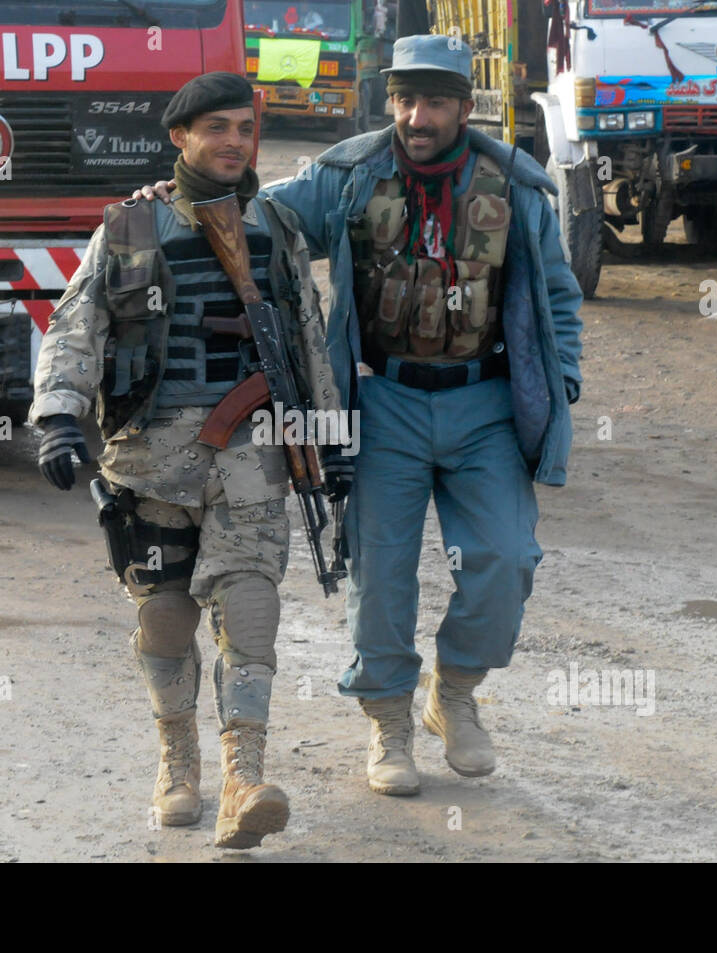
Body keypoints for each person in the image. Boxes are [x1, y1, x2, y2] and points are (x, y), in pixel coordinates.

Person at [137, 35, 582, 797]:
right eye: (406, 98)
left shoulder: (514, 185)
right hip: (382, 401)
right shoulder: (348, 175)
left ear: (462, 108)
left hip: (485, 403)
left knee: (506, 560)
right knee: (380, 574)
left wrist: (562, 376)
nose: (418, 114)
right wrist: (173, 202)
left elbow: (557, 297)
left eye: (436, 100)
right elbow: (256, 217)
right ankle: (389, 720)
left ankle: (456, 693)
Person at [30, 72, 344, 848]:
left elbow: (309, 334)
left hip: (256, 455)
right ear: (180, 138)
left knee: (250, 607)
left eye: (245, 127)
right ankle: (179, 761)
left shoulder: (275, 224)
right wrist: (60, 419)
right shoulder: (129, 229)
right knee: (165, 618)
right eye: (217, 129)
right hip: (152, 456)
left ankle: (246, 777)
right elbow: (77, 326)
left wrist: (334, 443)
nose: (235, 141)